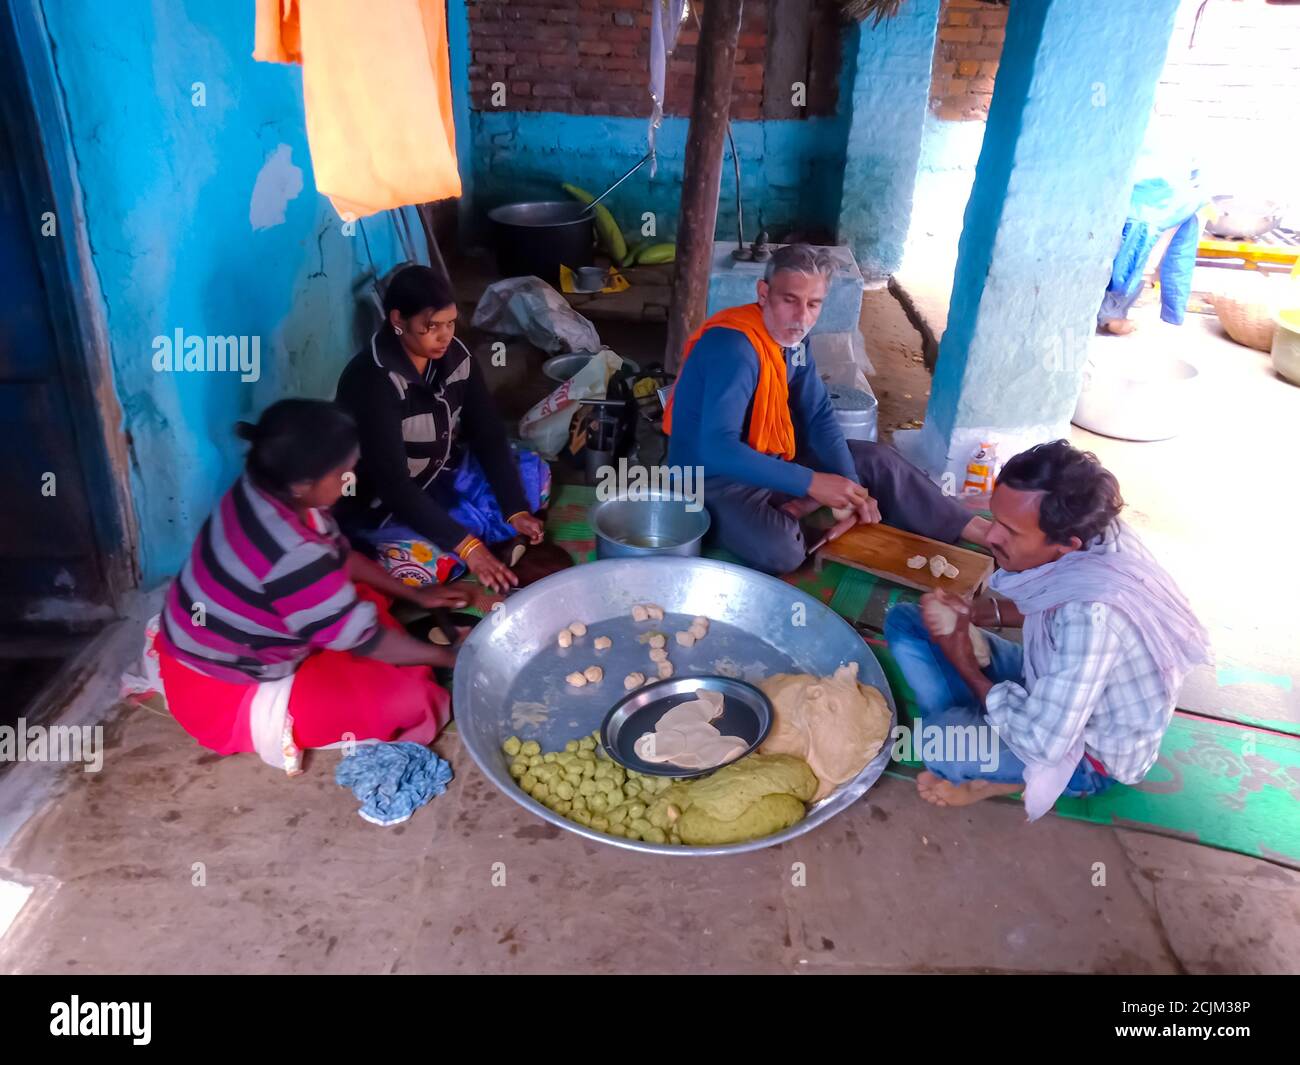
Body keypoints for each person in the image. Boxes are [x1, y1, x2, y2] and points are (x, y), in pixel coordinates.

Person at [883, 440, 1210, 815]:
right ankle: (974, 731)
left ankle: (991, 765)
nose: (990, 536)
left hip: (1084, 751)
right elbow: (1054, 605)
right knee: (907, 622)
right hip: (1049, 680)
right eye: (995, 519)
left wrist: (965, 663)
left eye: (1010, 531)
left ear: (1066, 544)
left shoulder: (1094, 617)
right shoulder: (1094, 534)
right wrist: (979, 613)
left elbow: (1044, 741)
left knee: (937, 742)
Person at [155, 400, 470, 773]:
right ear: (304, 484)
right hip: (225, 689)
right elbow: (368, 640)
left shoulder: (266, 487)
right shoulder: (290, 553)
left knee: (366, 600)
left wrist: (416, 593)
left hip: (220, 630)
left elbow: (339, 556)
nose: (350, 480)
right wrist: (455, 657)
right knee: (412, 702)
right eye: (343, 474)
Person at [664, 243, 989, 575]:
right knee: (782, 550)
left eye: (813, 304)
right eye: (790, 300)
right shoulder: (734, 348)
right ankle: (793, 508)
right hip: (713, 480)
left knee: (878, 460)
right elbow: (717, 448)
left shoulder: (794, 342)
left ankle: (973, 529)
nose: (802, 317)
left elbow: (818, 413)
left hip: (775, 458)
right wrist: (811, 483)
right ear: (764, 293)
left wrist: (852, 491)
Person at [335, 265, 548, 594]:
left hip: (441, 474)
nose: (444, 336)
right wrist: (468, 548)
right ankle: (473, 544)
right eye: (430, 327)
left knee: (537, 477)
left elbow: (488, 434)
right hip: (383, 502)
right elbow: (393, 486)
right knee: (425, 565)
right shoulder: (374, 383)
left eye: (449, 324)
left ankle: (486, 534)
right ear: (398, 321)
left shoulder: (457, 357)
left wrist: (514, 507)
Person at [1097, 121, 1204, 335]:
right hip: (1147, 223)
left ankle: (1111, 314)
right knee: (1133, 269)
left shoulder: (1180, 206)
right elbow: (1179, 266)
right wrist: (1173, 311)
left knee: (1127, 268)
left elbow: (1179, 263)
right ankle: (1110, 315)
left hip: (1141, 223)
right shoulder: (1184, 201)